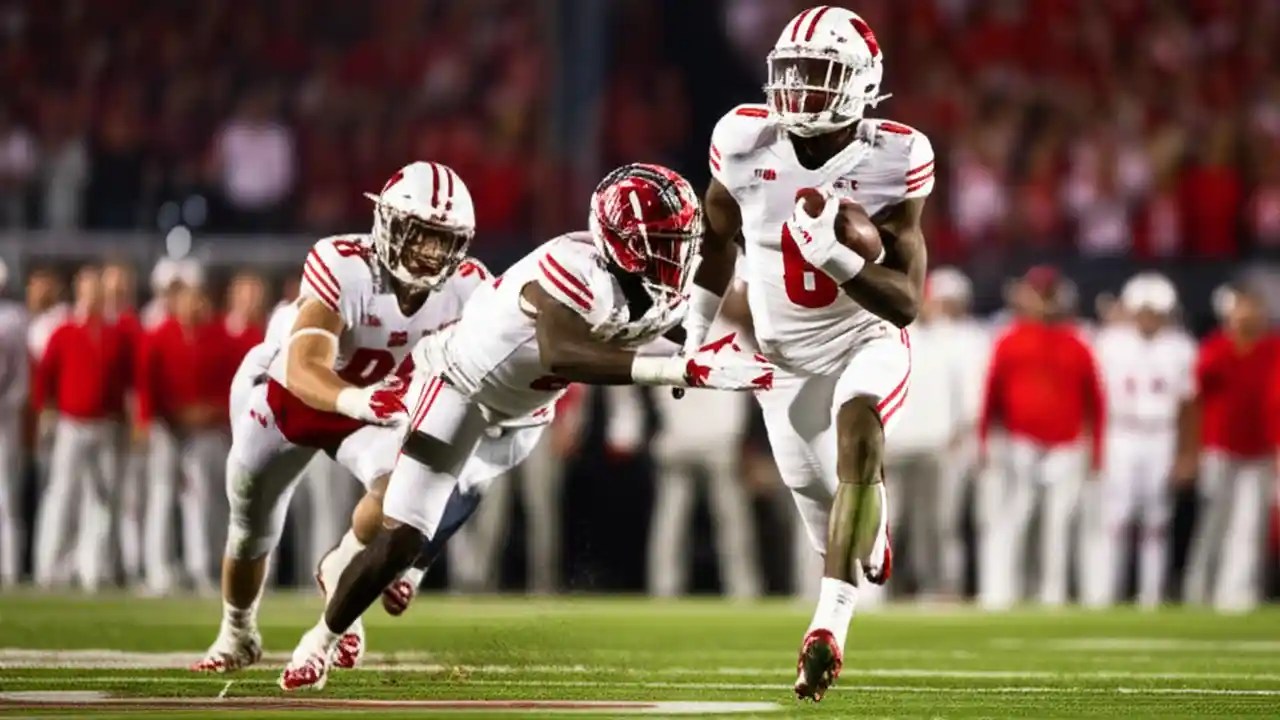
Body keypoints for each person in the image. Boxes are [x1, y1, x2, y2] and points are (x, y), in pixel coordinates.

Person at [278, 163, 774, 691]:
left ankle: (415, 566)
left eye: (680, 241)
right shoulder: (574, 266)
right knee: (402, 535)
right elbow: (563, 353)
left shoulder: (654, 278)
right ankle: (322, 638)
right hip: (459, 386)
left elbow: (675, 311)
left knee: (469, 487)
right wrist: (681, 368)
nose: (677, 254)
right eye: (663, 242)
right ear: (623, 242)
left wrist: (722, 353)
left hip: (526, 411)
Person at [676, 8, 933, 701]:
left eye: (819, 77)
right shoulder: (741, 138)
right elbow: (717, 237)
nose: (800, 92)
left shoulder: (896, 156)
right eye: (791, 74)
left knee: (859, 427)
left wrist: (841, 263)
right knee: (826, 507)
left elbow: (905, 303)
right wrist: (692, 333)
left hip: (864, 337)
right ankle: (869, 521)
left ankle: (829, 627)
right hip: (783, 359)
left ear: (861, 84)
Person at [193, 161, 491, 672]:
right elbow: (304, 365)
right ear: (389, 224)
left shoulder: (469, 287)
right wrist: (359, 400)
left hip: (370, 412)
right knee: (250, 527)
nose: (430, 252)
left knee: (399, 491)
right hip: (287, 397)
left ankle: (343, 572)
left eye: (444, 241)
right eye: (420, 235)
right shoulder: (344, 263)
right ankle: (237, 631)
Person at [977, 266, 1104, 610]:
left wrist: (1097, 454)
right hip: (1020, 442)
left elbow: (1096, 401)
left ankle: (1053, 592)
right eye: (1038, 293)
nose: (1043, 301)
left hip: (1066, 444)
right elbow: (991, 396)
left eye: (1049, 294)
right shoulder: (1009, 339)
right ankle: (1001, 590)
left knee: (1057, 523)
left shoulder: (1077, 341)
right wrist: (986, 441)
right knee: (1014, 516)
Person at [1088, 273, 1194, 608]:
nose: (1148, 318)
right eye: (1143, 310)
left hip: (1161, 434)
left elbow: (1188, 403)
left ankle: (1151, 594)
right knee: (1114, 517)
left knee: (1156, 520)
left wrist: (1186, 452)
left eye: (1155, 312)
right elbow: (1094, 398)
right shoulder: (1109, 342)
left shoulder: (1181, 347)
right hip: (1121, 432)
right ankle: (1106, 591)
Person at [883, 267, 988, 597]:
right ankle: (875, 588)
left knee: (937, 523)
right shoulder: (889, 336)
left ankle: (939, 586)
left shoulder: (950, 341)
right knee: (887, 521)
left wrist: (959, 429)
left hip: (934, 443)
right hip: (895, 443)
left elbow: (964, 395)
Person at [32, 266, 132, 591]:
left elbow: (122, 383)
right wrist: (43, 414)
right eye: (87, 289)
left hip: (105, 424)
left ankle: (93, 568)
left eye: (97, 290)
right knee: (62, 495)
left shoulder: (113, 334)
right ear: (78, 291)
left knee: (102, 500)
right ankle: (51, 567)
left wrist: (125, 420)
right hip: (71, 424)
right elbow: (44, 377)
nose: (92, 296)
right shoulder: (63, 331)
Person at [1184, 286, 1279, 613]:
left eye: (1255, 308)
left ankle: (1237, 594)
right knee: (1213, 523)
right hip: (1219, 446)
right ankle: (1199, 590)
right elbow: (1194, 400)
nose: (1249, 315)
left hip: (1260, 449)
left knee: (1249, 525)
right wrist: (1190, 450)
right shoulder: (1217, 348)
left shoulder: (1273, 350)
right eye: (1243, 308)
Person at [0, 258, 27, 586]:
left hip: (4, 415)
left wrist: (10, 406)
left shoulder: (13, 319)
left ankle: (8, 566)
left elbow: (20, 377)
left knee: (6, 493)